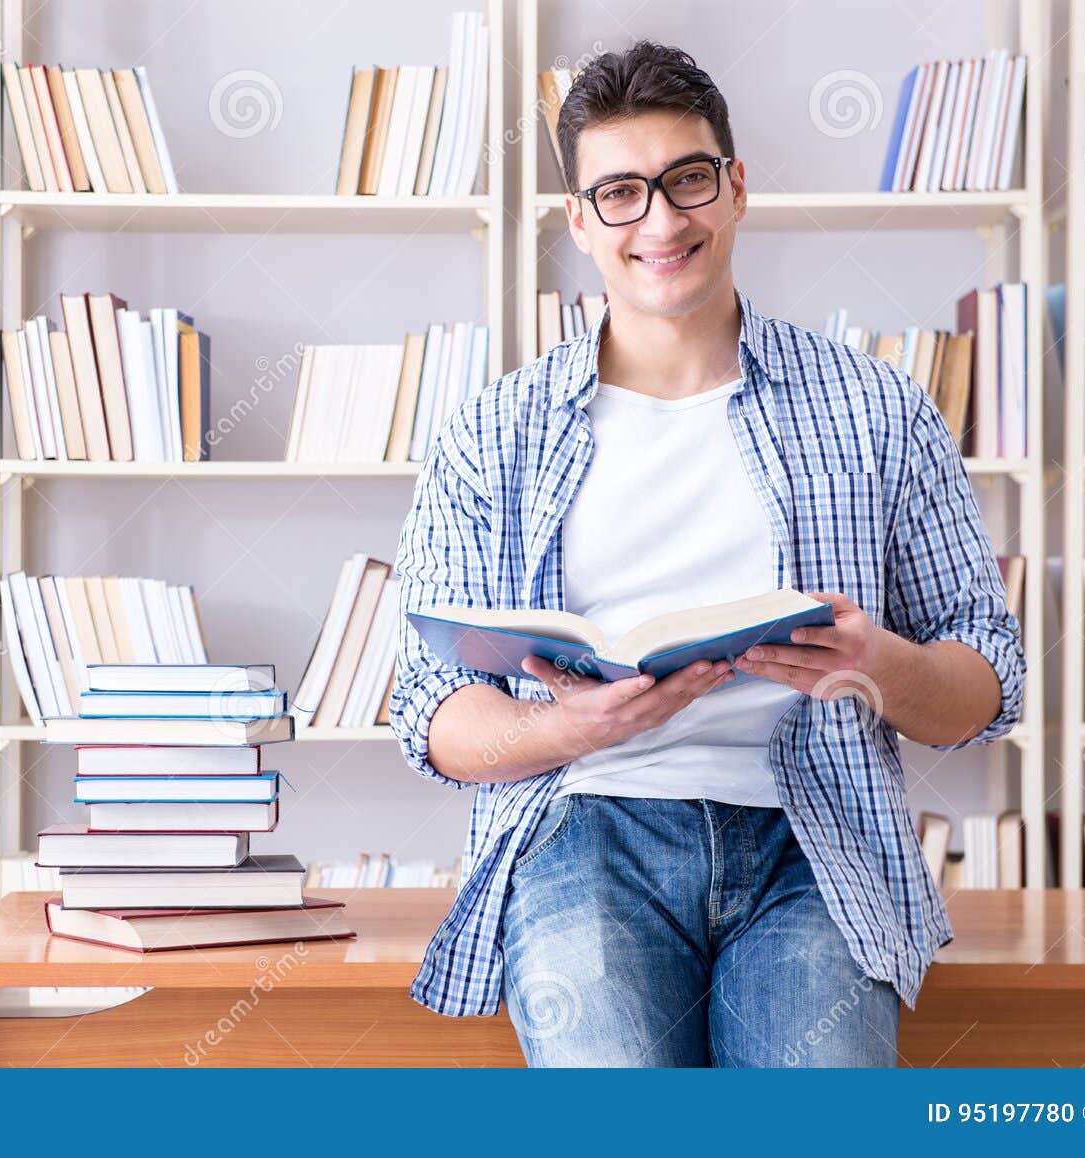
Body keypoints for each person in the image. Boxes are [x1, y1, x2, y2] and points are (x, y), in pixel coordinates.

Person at [388, 41, 1026, 1067]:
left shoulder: (874, 409)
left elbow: (988, 683)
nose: (661, 221)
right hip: (583, 832)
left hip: (814, 845)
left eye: (687, 180)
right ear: (579, 221)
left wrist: (878, 665)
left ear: (734, 189)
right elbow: (431, 712)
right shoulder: (490, 433)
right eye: (621, 193)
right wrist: (572, 731)